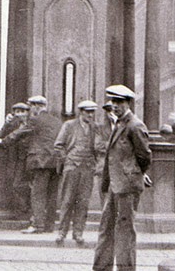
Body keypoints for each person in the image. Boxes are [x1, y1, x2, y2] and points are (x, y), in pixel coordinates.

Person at [93, 84, 152, 271]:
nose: (114, 106)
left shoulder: (135, 126)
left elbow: (144, 156)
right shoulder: (119, 124)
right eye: (113, 101)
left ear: (128, 103)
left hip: (126, 186)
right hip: (115, 184)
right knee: (106, 227)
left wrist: (137, 174)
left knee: (125, 230)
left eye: (118, 102)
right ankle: (102, 267)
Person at [0, 94, 60, 233]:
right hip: (55, 162)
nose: (30, 111)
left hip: (39, 161)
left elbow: (19, 133)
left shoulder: (35, 120)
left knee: (38, 194)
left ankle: (37, 225)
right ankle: (49, 225)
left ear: (36, 106)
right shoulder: (56, 121)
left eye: (30, 107)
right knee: (51, 195)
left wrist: (4, 141)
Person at [54, 99, 99, 246]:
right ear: (81, 112)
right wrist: (67, 160)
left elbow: (98, 148)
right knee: (67, 200)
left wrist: (95, 163)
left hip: (88, 167)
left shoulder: (95, 128)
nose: (91, 115)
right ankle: (62, 232)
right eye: (88, 112)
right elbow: (58, 145)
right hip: (72, 166)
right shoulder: (69, 125)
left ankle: (78, 232)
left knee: (83, 201)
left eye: (92, 112)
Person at [0, 103, 31, 219]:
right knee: (14, 183)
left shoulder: (31, 123)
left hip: (28, 158)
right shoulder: (13, 124)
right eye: (17, 112)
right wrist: (7, 124)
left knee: (20, 184)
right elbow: (2, 135)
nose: (20, 114)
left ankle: (25, 210)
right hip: (15, 159)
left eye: (22, 112)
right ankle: (21, 211)